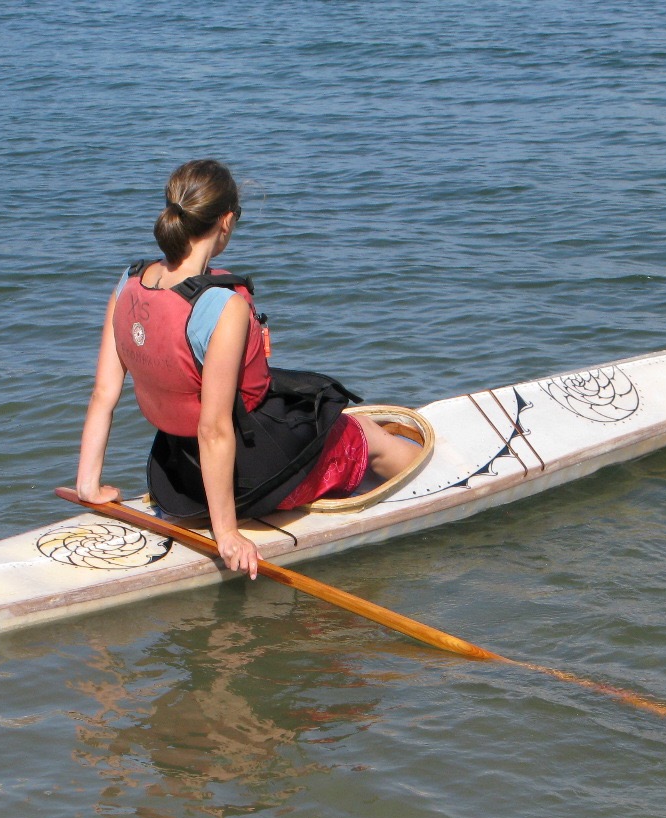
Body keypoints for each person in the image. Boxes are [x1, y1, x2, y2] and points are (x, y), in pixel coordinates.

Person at [75, 159, 418, 579]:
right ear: (226, 220)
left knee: (313, 405)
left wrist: (88, 487)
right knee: (362, 435)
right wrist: (227, 535)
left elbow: (102, 394)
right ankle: (435, 481)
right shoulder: (223, 306)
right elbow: (214, 429)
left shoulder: (127, 282)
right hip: (241, 477)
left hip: (174, 476)